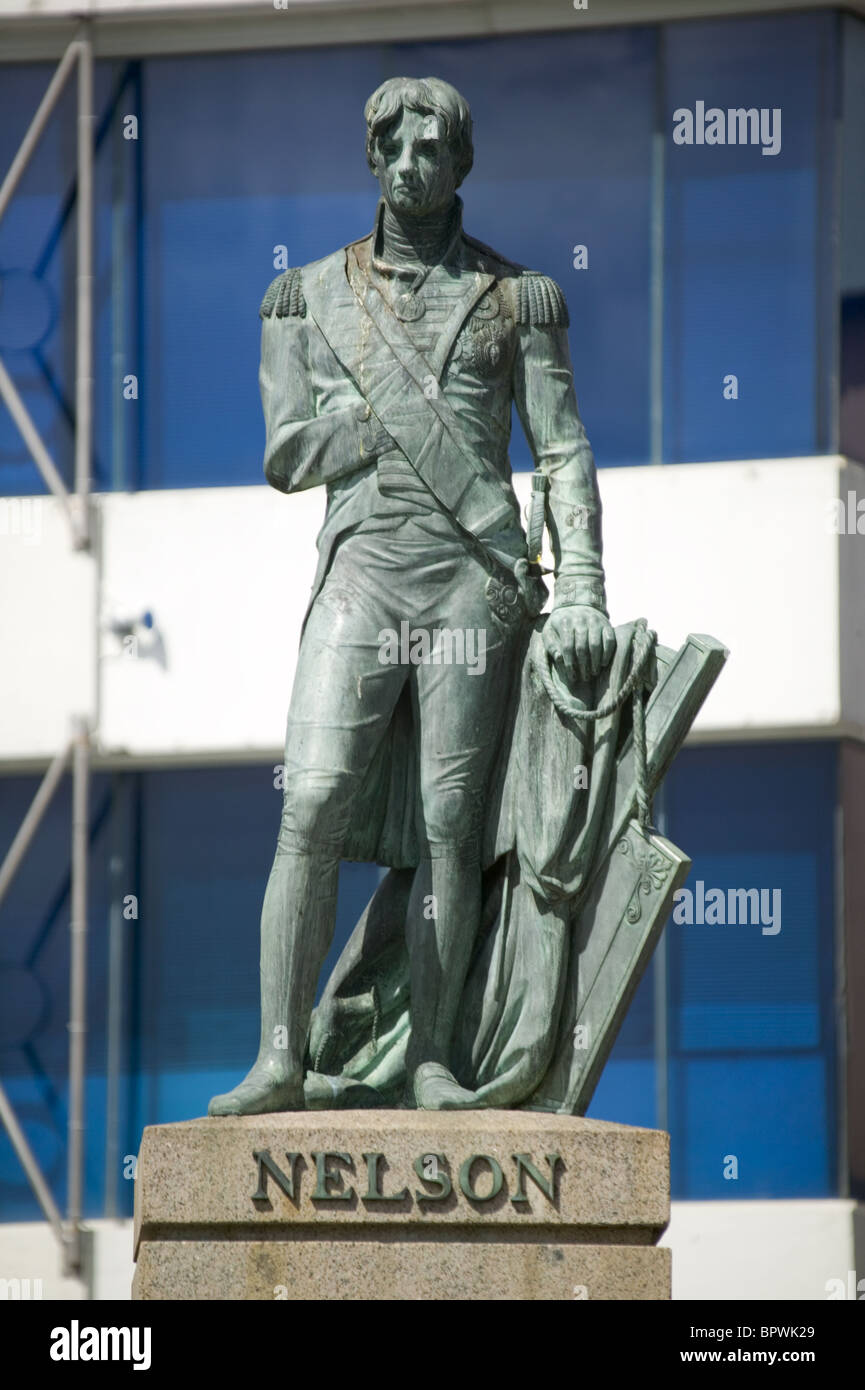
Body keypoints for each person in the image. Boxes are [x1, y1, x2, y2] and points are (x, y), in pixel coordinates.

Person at [208, 75, 614, 1115]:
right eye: (390, 147)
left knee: (450, 825)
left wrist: (581, 590)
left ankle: (430, 1054)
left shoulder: (518, 299)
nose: (407, 166)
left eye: (429, 150)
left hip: (472, 585)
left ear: (459, 163)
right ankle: (279, 1057)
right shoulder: (305, 296)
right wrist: (381, 426)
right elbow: (286, 453)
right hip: (364, 567)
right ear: (370, 157)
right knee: (307, 803)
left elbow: (561, 454)